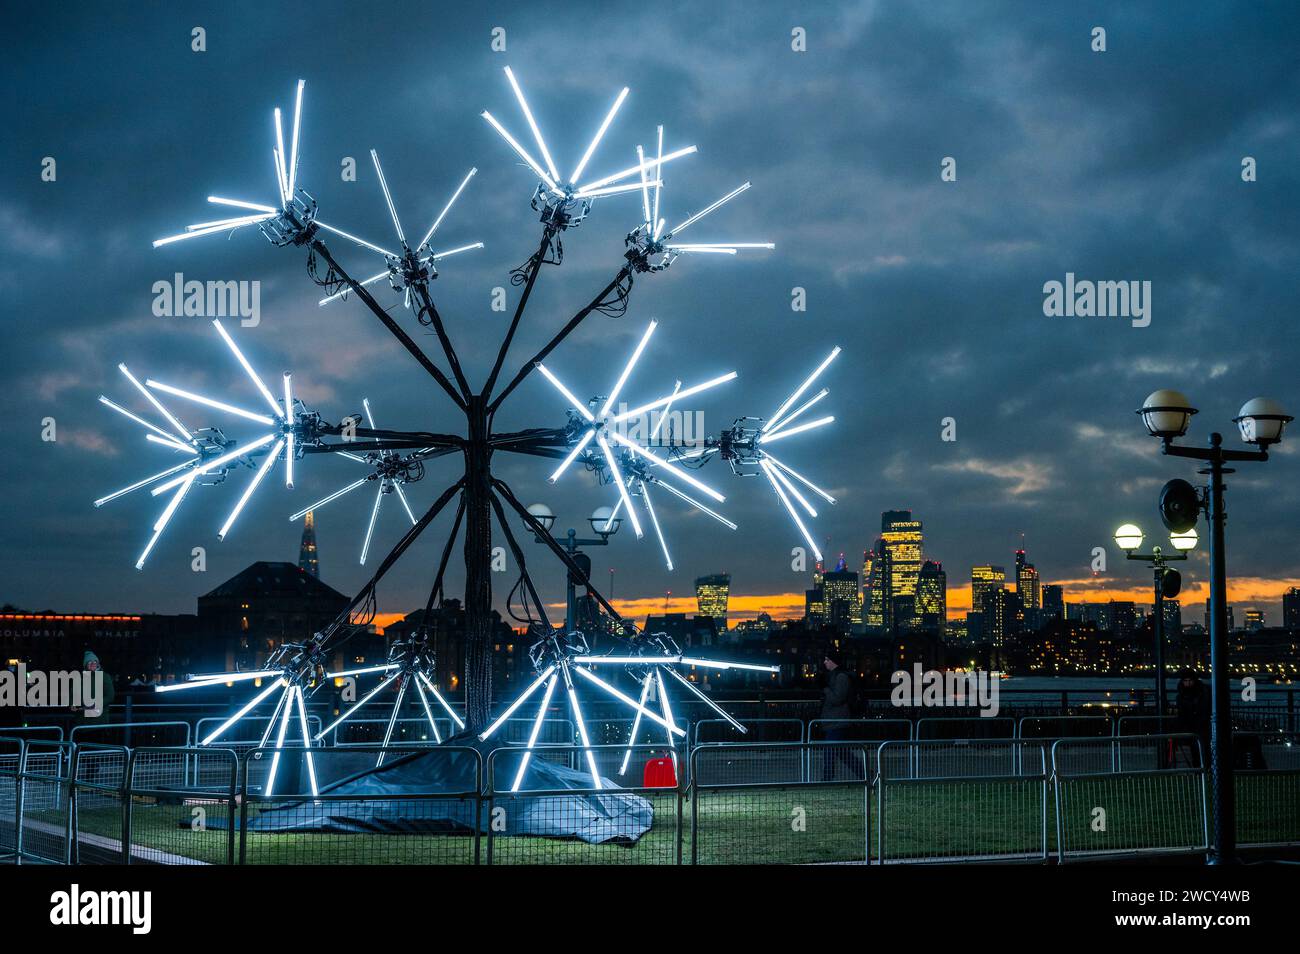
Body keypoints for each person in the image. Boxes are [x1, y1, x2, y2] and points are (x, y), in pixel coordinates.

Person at [819, 649, 860, 780]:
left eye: (827, 659)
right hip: (835, 720)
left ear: (833, 661)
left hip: (837, 720)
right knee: (842, 753)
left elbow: (838, 698)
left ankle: (827, 778)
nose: (824, 662)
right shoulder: (835, 676)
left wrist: (825, 690)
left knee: (830, 750)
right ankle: (866, 774)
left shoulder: (841, 677)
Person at [1173, 669, 1210, 767]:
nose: (1188, 683)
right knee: (1196, 750)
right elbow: (1182, 714)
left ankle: (1202, 770)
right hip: (1193, 725)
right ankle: (1200, 770)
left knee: (1202, 750)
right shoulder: (1202, 691)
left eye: (1190, 681)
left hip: (1201, 725)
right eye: (1186, 681)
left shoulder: (1182, 695)